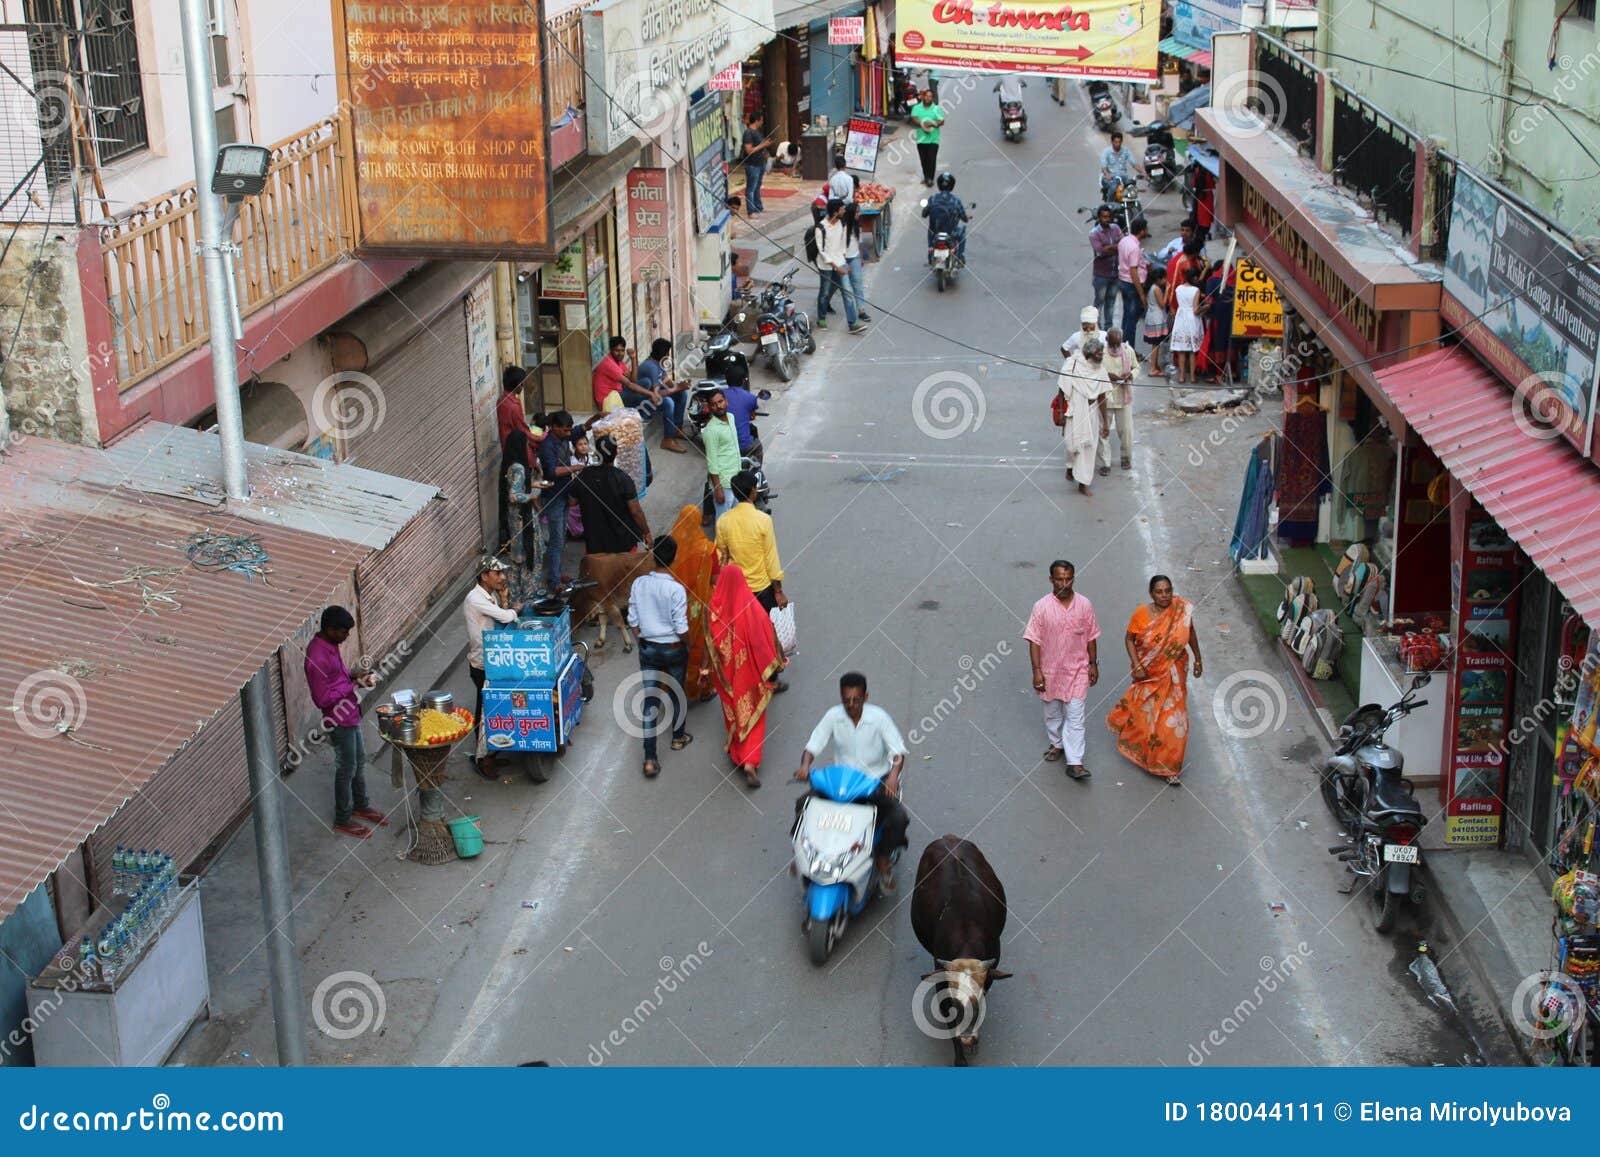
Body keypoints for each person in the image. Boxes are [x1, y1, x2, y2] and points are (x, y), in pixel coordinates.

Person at [793, 672, 910, 889]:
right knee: (804, 806)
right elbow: (812, 746)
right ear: (841, 697)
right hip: (841, 784)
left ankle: (883, 858)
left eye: (856, 700)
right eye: (846, 700)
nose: (851, 705)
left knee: (898, 818)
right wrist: (805, 765)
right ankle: (800, 852)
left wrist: (893, 777)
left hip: (874, 783)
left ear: (866, 696)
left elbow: (898, 752)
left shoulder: (879, 718)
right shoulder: (833, 716)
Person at [1106, 574, 1203, 786]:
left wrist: (1198, 659)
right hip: (1150, 672)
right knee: (1146, 713)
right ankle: (1143, 749)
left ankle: (1169, 767)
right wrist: (1137, 664)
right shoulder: (1141, 614)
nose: (1164, 595)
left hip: (1175, 671)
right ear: (1151, 593)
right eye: (1159, 592)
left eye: (1168, 590)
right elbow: (1129, 639)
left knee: (1176, 721)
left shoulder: (1180, 610)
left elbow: (1191, 633)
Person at [701, 564, 786, 788]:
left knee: (734, 713)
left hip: (726, 678)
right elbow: (764, 637)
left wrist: (704, 670)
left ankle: (739, 753)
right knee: (754, 714)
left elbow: (709, 644)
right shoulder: (752, 607)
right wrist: (775, 662)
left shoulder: (713, 611)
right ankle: (751, 762)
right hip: (752, 675)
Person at [305, 606, 385, 839]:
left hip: (350, 713)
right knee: (346, 768)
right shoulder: (316, 657)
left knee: (358, 762)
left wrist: (354, 676)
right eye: (343, 632)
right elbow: (321, 698)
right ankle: (342, 818)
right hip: (338, 720)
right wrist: (354, 685)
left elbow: (337, 676)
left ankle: (361, 804)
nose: (346, 637)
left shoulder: (331, 646)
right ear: (330, 630)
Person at [1024, 560, 1101, 781]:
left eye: (1068, 579)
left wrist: (1093, 664)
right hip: (1050, 672)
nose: (1064, 583)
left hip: (1077, 671)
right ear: (1051, 580)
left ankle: (1075, 762)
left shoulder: (1085, 605)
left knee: (1076, 716)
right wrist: (1037, 671)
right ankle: (1056, 743)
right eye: (1059, 579)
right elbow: (1034, 641)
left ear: (1073, 578)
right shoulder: (1041, 607)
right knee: (1053, 712)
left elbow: (1091, 636)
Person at [628, 536, 692, 778]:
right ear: (674, 558)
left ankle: (650, 758)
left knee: (650, 702)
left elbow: (632, 620)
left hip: (648, 648)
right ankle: (678, 737)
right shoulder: (676, 589)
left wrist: (641, 640)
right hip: (674, 647)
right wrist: (689, 644)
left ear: (653, 556)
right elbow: (681, 626)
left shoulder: (639, 584)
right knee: (677, 693)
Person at [463, 556, 525, 778]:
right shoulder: (475, 598)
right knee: (484, 713)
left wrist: (505, 599)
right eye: (497, 573)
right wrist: (515, 609)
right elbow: (505, 616)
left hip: (494, 661)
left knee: (494, 709)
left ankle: (490, 755)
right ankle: (481, 759)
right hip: (482, 665)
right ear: (484, 576)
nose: (502, 577)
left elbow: (502, 621)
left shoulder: (489, 596)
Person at [665, 504, 721, 703]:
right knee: (701, 647)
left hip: (674, 608)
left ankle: (674, 689)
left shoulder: (669, 547)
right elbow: (715, 579)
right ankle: (702, 688)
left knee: (675, 647)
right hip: (701, 606)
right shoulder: (707, 549)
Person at [716, 470, 786, 612]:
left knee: (742, 632)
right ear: (753, 491)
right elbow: (770, 557)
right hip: (762, 589)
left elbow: (722, 557)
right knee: (764, 631)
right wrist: (778, 591)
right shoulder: (763, 520)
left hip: (736, 588)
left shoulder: (723, 521)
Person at [574, 433, 650, 556]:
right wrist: (646, 533)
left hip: (595, 543)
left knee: (599, 574)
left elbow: (572, 501)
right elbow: (636, 511)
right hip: (623, 544)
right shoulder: (623, 479)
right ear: (616, 454)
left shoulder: (583, 476)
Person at [1059, 336, 1111, 496]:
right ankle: (1070, 467)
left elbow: (1102, 397)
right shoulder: (1072, 365)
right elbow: (1061, 390)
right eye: (1098, 353)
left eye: (1102, 353)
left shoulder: (1101, 371)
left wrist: (1105, 423)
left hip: (1091, 413)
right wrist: (1061, 412)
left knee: (1088, 448)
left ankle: (1083, 483)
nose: (1101, 356)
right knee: (1071, 445)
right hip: (1074, 411)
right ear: (1089, 354)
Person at [501, 428, 548, 605]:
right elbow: (514, 494)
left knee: (516, 560)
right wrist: (532, 496)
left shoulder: (510, 465)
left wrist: (534, 484)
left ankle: (515, 598)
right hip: (523, 519)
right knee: (530, 557)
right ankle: (528, 597)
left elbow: (516, 486)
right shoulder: (519, 467)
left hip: (515, 519)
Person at [538, 412, 582, 590]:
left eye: (569, 430)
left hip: (564, 493)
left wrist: (594, 420)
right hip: (553, 496)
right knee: (556, 539)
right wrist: (575, 468)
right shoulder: (547, 446)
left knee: (561, 538)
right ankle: (554, 581)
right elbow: (551, 472)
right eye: (565, 430)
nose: (568, 433)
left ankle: (556, 572)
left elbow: (579, 430)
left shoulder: (564, 437)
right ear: (554, 428)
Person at [631, 337, 690, 453]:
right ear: (662, 353)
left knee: (681, 394)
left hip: (651, 396)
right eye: (667, 352)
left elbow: (666, 380)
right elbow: (656, 395)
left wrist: (679, 386)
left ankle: (677, 428)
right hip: (643, 403)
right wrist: (677, 388)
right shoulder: (650, 367)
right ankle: (668, 439)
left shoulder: (657, 363)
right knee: (668, 402)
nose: (668, 355)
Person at [815, 198, 865, 333]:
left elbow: (842, 247)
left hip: (839, 262)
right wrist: (836, 266)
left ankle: (853, 323)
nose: (844, 210)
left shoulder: (841, 225)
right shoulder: (820, 228)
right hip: (826, 266)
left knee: (847, 292)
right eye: (842, 209)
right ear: (836, 212)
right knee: (825, 292)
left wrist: (843, 263)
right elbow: (822, 252)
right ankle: (821, 318)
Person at [823, 200, 872, 325]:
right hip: (841, 260)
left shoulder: (857, 226)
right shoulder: (841, 227)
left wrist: (860, 258)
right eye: (857, 212)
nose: (859, 215)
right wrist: (842, 263)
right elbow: (837, 247)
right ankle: (825, 303)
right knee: (837, 286)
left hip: (854, 257)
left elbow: (858, 243)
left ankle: (861, 310)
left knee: (857, 283)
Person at [1098, 327, 1139, 474]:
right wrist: (1108, 376)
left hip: (1123, 396)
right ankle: (1105, 463)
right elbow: (1095, 370)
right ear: (1107, 340)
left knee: (1126, 431)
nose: (1115, 348)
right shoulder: (1100, 352)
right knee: (1103, 431)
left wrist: (1131, 375)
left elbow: (1136, 367)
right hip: (1105, 397)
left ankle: (1125, 458)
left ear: (1121, 341)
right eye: (1112, 345)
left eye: (1117, 344)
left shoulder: (1128, 351)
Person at [702, 390, 742, 524]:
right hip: (724, 483)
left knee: (736, 520)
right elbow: (712, 462)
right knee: (724, 523)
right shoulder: (711, 430)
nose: (718, 406)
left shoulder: (731, 417)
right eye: (714, 404)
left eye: (720, 401)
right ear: (709, 407)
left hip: (736, 478)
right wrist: (718, 489)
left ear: (726, 401)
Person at [1169, 265, 1207, 385]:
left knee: (1181, 350)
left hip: (1181, 319)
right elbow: (1195, 310)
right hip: (1192, 319)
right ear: (1194, 278)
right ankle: (1192, 377)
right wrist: (1205, 307)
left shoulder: (1178, 289)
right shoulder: (1196, 290)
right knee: (1192, 351)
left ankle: (1181, 377)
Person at [922, 171, 967, 264]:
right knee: (962, 233)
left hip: (935, 232)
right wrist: (966, 218)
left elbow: (924, 214)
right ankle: (959, 257)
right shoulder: (955, 200)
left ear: (939, 185)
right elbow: (964, 217)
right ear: (952, 185)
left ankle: (930, 253)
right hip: (951, 233)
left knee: (930, 229)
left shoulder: (933, 198)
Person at [1088, 206, 1123, 326]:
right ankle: (1096, 327)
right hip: (1101, 275)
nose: (1106, 219)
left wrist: (1108, 247)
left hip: (1115, 273)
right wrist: (1114, 247)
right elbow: (1100, 252)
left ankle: (1108, 328)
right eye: (1104, 217)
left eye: (1108, 217)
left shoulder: (1116, 228)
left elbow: (1122, 245)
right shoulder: (1094, 234)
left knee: (1111, 302)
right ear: (1099, 218)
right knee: (1099, 302)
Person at [1116, 215, 1150, 336]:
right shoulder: (1134, 247)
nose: (1147, 231)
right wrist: (1141, 294)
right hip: (1131, 284)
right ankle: (1128, 349)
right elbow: (1133, 270)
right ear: (1142, 231)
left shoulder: (1124, 241)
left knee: (1126, 317)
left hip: (1123, 281)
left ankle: (1123, 345)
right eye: (1146, 229)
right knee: (1131, 320)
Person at [592, 336, 644, 413]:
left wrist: (633, 358)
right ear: (611, 350)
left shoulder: (618, 362)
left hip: (617, 394)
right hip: (608, 401)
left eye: (622, 350)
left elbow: (633, 380)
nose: (620, 353)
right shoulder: (608, 363)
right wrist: (651, 394)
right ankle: (641, 417)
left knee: (646, 382)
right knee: (639, 397)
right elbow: (630, 384)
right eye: (617, 350)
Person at [909, 88, 945, 186]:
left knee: (931, 158)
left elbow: (941, 121)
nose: (928, 98)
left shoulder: (936, 109)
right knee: (923, 160)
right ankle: (926, 177)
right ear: (923, 97)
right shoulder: (917, 107)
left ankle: (930, 179)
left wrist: (933, 124)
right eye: (926, 96)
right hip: (921, 139)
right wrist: (922, 124)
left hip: (933, 139)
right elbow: (914, 118)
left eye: (930, 96)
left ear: (932, 98)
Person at [1141, 265, 1172, 379]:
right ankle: (1153, 368)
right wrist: (1168, 291)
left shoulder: (1150, 287)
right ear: (1159, 279)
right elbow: (1163, 304)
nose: (1165, 281)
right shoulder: (1157, 289)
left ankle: (1154, 366)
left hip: (1152, 315)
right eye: (1164, 278)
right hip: (1157, 317)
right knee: (1156, 344)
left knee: (1155, 344)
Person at [741, 112, 772, 214]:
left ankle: (758, 206)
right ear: (757, 120)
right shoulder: (748, 133)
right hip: (752, 164)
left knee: (757, 186)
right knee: (751, 188)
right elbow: (749, 150)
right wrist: (763, 145)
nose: (762, 122)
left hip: (760, 163)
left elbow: (760, 146)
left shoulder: (757, 132)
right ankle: (751, 210)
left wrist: (765, 145)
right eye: (761, 120)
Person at [1099, 130, 1141, 205]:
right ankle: (1108, 207)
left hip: (1123, 177)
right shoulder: (1106, 152)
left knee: (1132, 187)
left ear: (1121, 142)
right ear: (1112, 142)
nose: (1117, 144)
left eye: (1119, 142)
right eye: (1116, 142)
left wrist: (1143, 173)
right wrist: (1107, 174)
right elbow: (1103, 167)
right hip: (1110, 178)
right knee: (1113, 187)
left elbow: (1134, 164)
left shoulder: (1126, 151)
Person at [722, 381, 763, 456]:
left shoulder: (719, 395)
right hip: (742, 446)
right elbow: (752, 416)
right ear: (743, 380)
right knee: (758, 447)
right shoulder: (750, 397)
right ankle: (757, 467)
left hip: (723, 446)